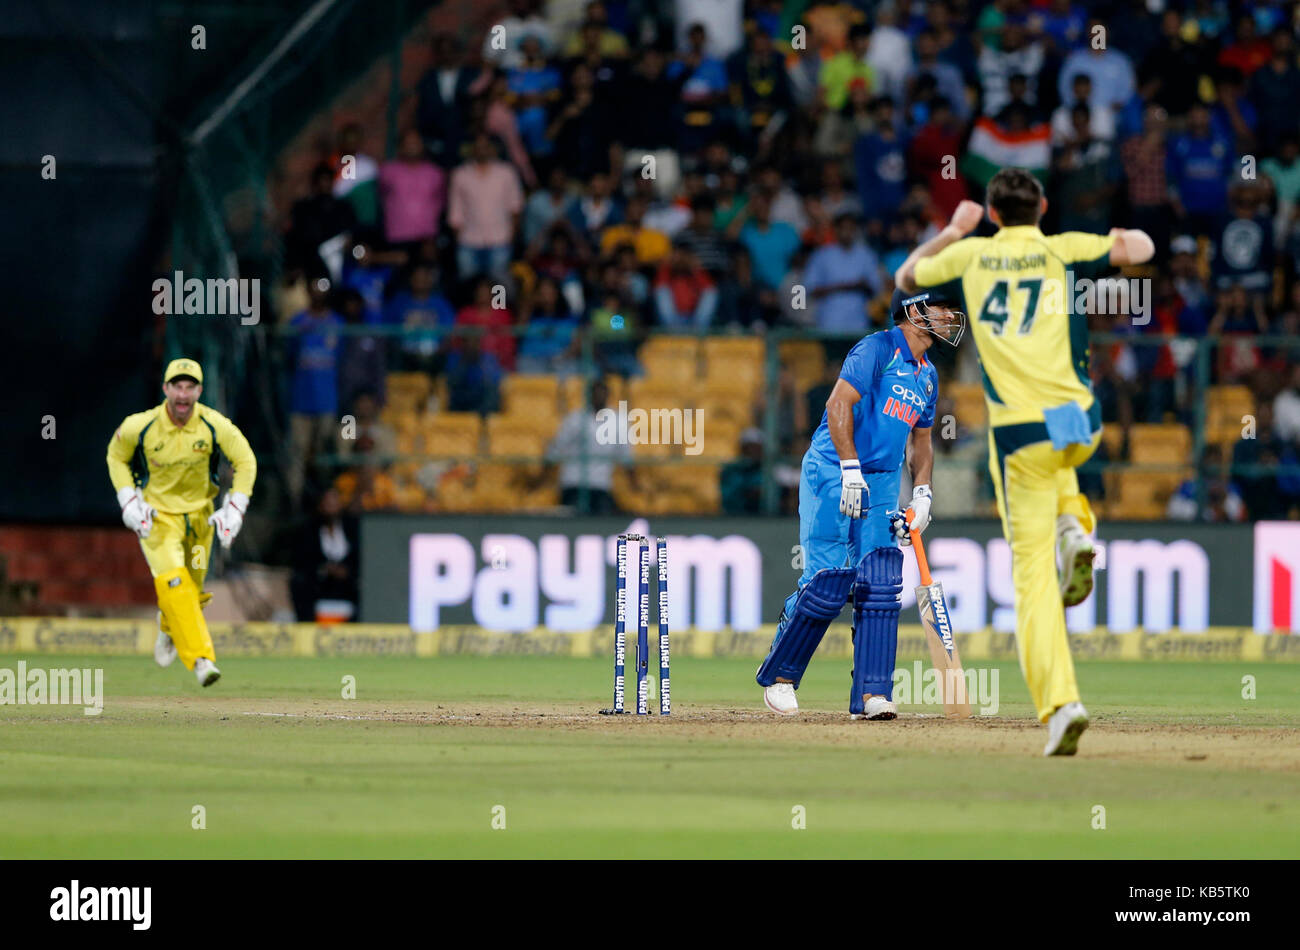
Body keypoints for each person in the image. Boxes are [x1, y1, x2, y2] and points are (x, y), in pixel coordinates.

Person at [896, 169, 1155, 755]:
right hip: (1083, 423)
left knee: (1033, 579)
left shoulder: (973, 257)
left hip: (1021, 435)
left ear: (991, 212)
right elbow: (1143, 248)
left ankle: (1061, 707)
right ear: (1041, 206)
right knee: (1061, 467)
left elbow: (905, 278)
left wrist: (953, 231)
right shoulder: (1063, 247)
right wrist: (1116, 236)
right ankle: (1074, 527)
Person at [756, 287, 963, 721]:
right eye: (939, 308)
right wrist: (850, 469)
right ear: (912, 312)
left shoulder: (927, 375)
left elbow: (922, 441)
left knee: (882, 580)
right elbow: (837, 404)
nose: (948, 316)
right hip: (833, 467)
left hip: (885, 480)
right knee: (830, 579)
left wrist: (923, 491)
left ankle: (872, 696)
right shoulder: (877, 349)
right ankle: (781, 678)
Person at [106, 359, 257, 687]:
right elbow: (116, 455)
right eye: (177, 386)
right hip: (157, 520)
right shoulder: (141, 425)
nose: (183, 394)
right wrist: (128, 500)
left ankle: (168, 626)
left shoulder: (214, 426)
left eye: (190, 387)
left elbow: (245, 459)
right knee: (175, 583)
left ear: (200, 391)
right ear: (165, 389)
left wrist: (235, 508)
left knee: (194, 590)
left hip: (200, 521)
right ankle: (202, 659)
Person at [291, 488, 360, 622]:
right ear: (320, 506)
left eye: (334, 503)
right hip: (320, 586)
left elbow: (358, 557)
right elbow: (304, 560)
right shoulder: (309, 531)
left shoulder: (352, 528)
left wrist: (346, 571)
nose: (331, 508)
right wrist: (324, 569)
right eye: (327, 503)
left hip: (348, 586)